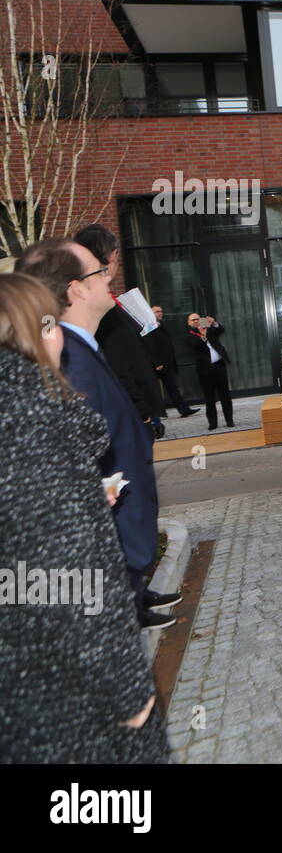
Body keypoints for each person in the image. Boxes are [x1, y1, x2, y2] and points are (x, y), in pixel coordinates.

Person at [0, 273, 170, 763]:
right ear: (31, 337)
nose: (58, 334)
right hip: (65, 703)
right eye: (48, 323)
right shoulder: (35, 435)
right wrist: (128, 693)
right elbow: (71, 584)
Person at [15, 240, 179, 630]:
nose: (110, 277)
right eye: (99, 272)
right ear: (76, 289)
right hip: (109, 551)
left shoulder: (81, 350)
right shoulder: (67, 362)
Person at [72, 224, 166, 439]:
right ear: (113, 256)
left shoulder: (94, 302)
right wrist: (143, 414)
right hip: (127, 414)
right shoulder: (100, 306)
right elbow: (116, 363)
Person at [144, 305, 198, 417]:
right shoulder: (149, 325)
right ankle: (159, 412)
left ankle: (183, 409)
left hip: (166, 362)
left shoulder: (160, 324)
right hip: (159, 364)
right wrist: (157, 363)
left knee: (172, 387)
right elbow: (150, 345)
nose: (160, 313)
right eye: (157, 312)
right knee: (157, 389)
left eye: (161, 311)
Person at [185, 312, 234, 430]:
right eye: (193, 320)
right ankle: (213, 423)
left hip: (219, 366)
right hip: (205, 371)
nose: (196, 321)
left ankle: (229, 421)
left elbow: (220, 330)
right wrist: (203, 335)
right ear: (189, 323)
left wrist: (214, 323)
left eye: (197, 319)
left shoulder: (209, 329)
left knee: (225, 395)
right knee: (209, 397)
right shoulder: (189, 335)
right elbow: (196, 346)